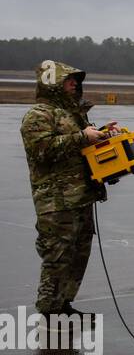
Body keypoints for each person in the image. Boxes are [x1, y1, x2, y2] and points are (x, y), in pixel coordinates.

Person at [20, 61, 116, 316]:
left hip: (81, 198)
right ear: (52, 83)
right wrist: (83, 137)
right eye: (68, 79)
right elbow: (42, 150)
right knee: (57, 257)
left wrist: (103, 136)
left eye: (76, 80)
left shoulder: (73, 114)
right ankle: (48, 311)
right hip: (56, 202)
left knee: (78, 255)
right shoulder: (39, 115)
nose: (75, 83)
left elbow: (81, 149)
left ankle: (64, 304)